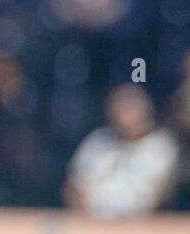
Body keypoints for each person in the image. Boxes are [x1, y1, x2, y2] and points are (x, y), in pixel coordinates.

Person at [64, 85, 179, 218]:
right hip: (96, 226)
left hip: (144, 228)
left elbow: (163, 197)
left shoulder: (162, 147)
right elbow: (73, 188)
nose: (125, 115)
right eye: (121, 108)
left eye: (131, 108)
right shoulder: (98, 142)